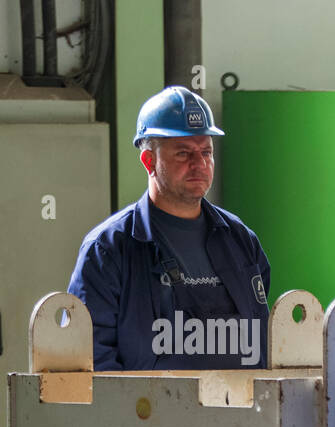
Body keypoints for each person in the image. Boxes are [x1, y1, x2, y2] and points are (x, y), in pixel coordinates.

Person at [69, 86, 271, 371]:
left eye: (206, 152)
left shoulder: (240, 241)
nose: (199, 163)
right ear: (149, 161)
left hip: (240, 412)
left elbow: (261, 341)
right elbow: (89, 360)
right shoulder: (108, 249)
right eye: (183, 153)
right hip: (147, 414)